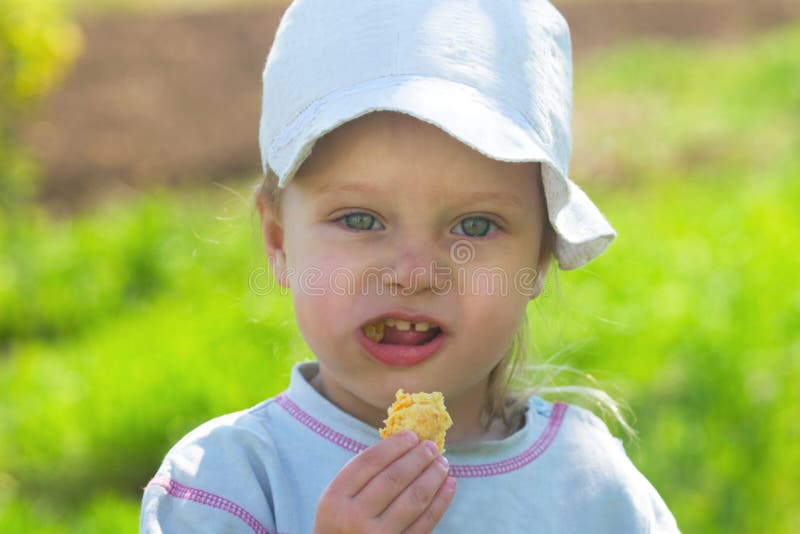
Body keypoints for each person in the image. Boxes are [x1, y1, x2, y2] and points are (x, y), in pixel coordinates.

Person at [140, 1, 680, 532]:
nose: (414, 273)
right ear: (279, 240)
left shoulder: (592, 486)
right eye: (359, 219)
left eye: (474, 226)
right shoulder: (228, 487)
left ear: (539, 257)